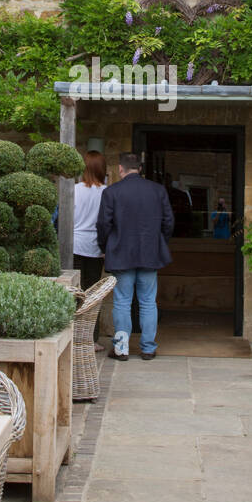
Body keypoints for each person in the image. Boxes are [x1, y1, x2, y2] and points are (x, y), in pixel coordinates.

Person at [97, 152, 173, 361]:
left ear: (120, 169)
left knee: (122, 302)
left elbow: (103, 224)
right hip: (150, 253)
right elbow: (168, 222)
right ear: (140, 169)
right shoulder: (157, 190)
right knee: (148, 302)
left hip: (121, 253)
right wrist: (159, 243)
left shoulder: (112, 192)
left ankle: (121, 349)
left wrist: (105, 247)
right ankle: (148, 348)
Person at [72, 150, 108, 291]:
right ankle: (91, 314)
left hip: (75, 244)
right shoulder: (107, 192)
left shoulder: (74, 190)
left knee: (74, 290)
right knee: (92, 291)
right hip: (96, 247)